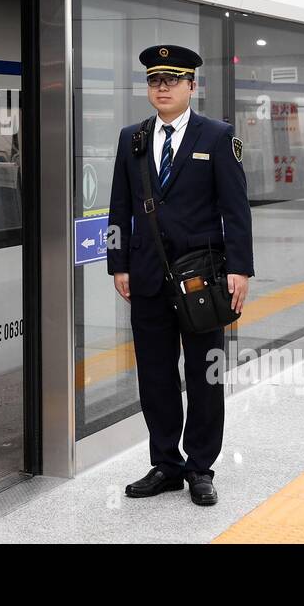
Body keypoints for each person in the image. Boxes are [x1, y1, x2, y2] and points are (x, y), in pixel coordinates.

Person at [107, 44, 253, 506]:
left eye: (172, 80)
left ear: (192, 85)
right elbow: (119, 208)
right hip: (147, 278)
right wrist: (118, 263)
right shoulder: (132, 138)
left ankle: (201, 467)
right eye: (155, 80)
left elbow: (236, 208)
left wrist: (240, 269)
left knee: (204, 374)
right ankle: (166, 464)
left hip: (202, 282)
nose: (163, 87)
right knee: (154, 376)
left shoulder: (217, 136)